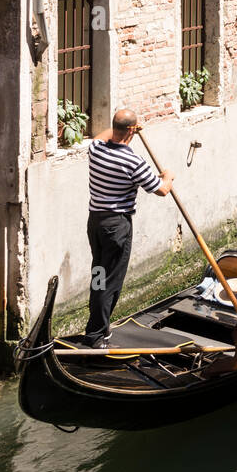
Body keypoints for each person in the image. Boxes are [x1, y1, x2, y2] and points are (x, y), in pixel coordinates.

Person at [86, 108, 174, 346]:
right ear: (132, 131)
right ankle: (97, 335)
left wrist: (125, 126)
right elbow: (162, 190)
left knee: (99, 274)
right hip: (117, 227)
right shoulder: (134, 162)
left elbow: (101, 136)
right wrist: (169, 176)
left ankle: (95, 326)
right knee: (111, 281)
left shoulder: (96, 150)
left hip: (95, 223)